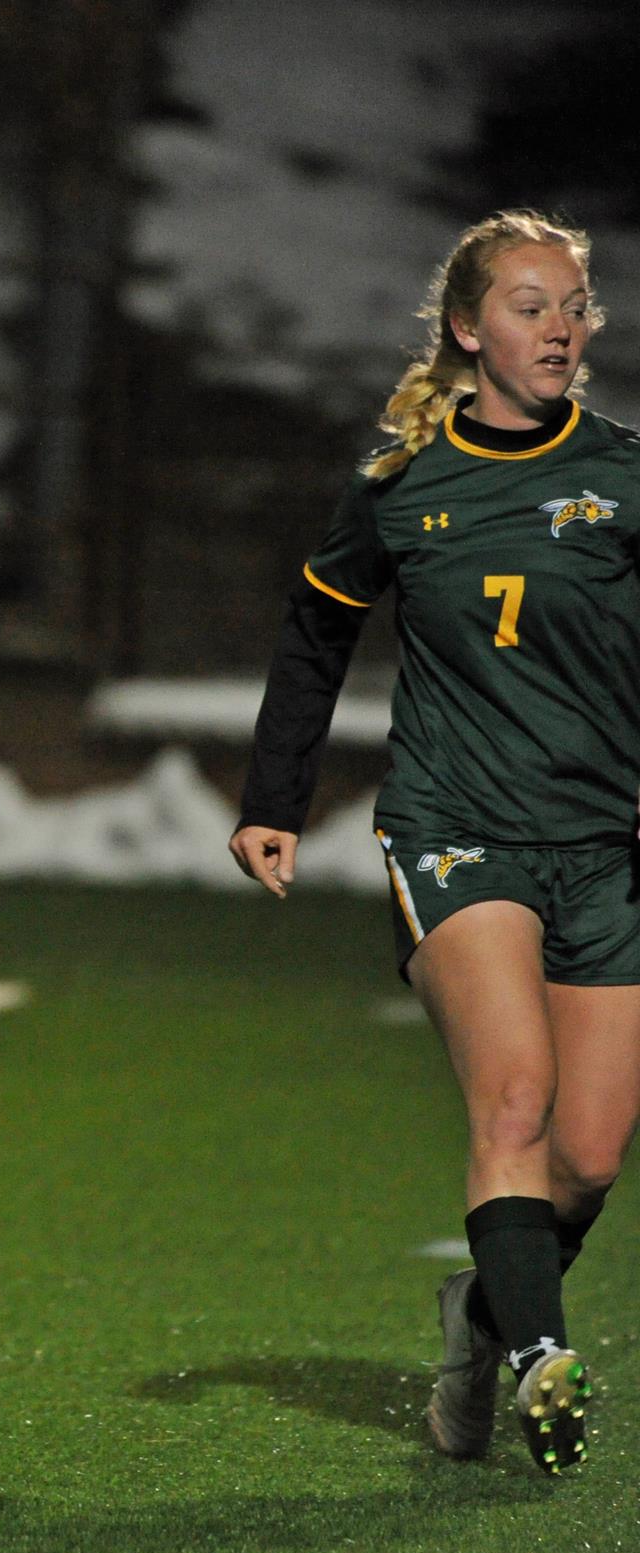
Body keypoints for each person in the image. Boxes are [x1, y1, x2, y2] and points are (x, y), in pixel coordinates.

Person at [230, 209, 640, 1476]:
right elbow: (313, 634)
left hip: (602, 842)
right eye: (529, 305)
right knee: (512, 1099)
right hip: (455, 831)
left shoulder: (624, 475)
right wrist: (272, 798)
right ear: (468, 329)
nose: (558, 328)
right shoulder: (399, 484)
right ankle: (538, 1359)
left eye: (572, 305)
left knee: (586, 1151)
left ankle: (479, 1315)